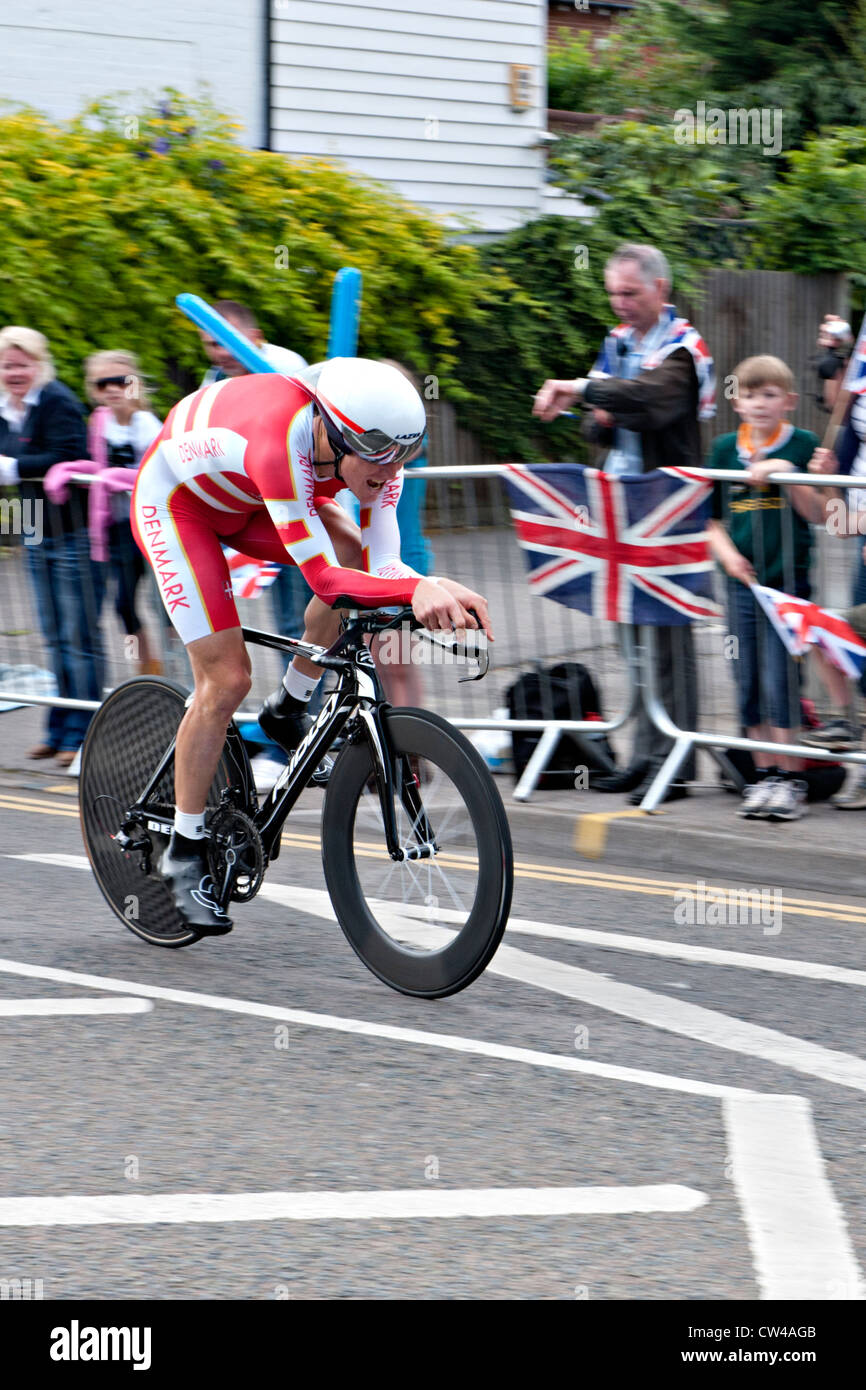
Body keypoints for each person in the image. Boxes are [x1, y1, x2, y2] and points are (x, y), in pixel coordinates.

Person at [131, 357, 492, 934]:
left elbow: (384, 562)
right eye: (375, 459)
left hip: (245, 495)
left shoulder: (378, 451)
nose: (389, 472)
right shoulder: (285, 443)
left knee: (356, 555)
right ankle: (184, 847)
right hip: (179, 505)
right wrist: (419, 588)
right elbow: (325, 581)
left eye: (402, 457)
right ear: (332, 432)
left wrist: (430, 585)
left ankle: (291, 706)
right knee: (226, 680)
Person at [532, 242, 715, 803]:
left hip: (665, 505)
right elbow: (596, 425)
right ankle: (641, 755)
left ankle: (674, 763)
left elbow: (656, 401)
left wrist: (595, 395)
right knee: (631, 634)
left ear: (661, 289)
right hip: (619, 504)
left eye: (630, 293)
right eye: (613, 293)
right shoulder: (616, 343)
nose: (620, 303)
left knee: (667, 634)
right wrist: (602, 408)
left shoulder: (685, 347)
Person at [706, 355, 823, 821]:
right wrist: (729, 556)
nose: (759, 403)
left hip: (788, 586)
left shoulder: (803, 445)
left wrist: (782, 471)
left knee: (781, 683)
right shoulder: (722, 451)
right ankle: (763, 777)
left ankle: (791, 781)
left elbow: (817, 513)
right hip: (742, 588)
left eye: (769, 394)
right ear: (737, 402)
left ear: (788, 401)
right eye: (750, 395)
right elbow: (709, 520)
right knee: (747, 681)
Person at [0, 325, 104, 767]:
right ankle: (58, 728)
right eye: (7, 365)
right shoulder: (5, 408)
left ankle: (82, 733)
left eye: (22, 364)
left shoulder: (57, 399)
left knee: (79, 637)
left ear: (38, 364)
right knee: (54, 636)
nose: (14, 372)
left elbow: (70, 455)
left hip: (72, 530)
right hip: (35, 527)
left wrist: (15, 465)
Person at [84, 351, 163, 673]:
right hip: (119, 527)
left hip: (155, 524)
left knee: (168, 606)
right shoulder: (99, 422)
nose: (113, 389)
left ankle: (185, 671)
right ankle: (143, 669)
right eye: (104, 384)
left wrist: (120, 479)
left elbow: (160, 473)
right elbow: (97, 466)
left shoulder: (147, 424)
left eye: (120, 381)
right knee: (123, 606)